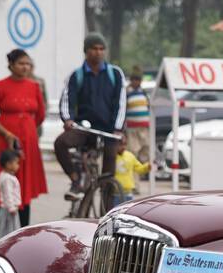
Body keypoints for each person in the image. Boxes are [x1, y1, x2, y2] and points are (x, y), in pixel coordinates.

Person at [55, 33, 126, 200]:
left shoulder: (115, 74)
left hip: (109, 130)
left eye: (102, 49)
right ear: (86, 51)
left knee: (108, 174)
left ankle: (107, 211)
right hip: (84, 128)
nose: (98, 52)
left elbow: (121, 103)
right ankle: (76, 179)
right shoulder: (76, 75)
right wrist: (68, 120)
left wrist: (118, 129)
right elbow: (67, 100)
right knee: (61, 143)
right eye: (94, 48)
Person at [0, 49, 46, 228]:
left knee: (24, 186)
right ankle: (4, 230)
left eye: (28, 63)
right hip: (5, 142)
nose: (25, 67)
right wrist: (6, 132)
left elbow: (40, 115)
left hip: (28, 142)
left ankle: (23, 231)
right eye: (21, 63)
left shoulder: (34, 87)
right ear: (10, 65)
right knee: (3, 183)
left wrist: (29, 130)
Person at [123, 66, 152, 167]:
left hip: (144, 127)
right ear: (131, 80)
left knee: (146, 148)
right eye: (135, 80)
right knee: (133, 150)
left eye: (139, 80)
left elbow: (148, 106)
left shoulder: (143, 92)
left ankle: (142, 168)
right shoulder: (127, 92)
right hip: (132, 128)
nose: (137, 82)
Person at [111, 136, 149, 206]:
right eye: (120, 144)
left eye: (125, 144)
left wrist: (148, 166)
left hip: (128, 193)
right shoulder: (111, 156)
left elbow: (140, 169)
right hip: (114, 194)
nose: (123, 147)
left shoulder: (130, 156)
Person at [0, 149, 23, 240]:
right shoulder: (7, 179)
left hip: (8, 208)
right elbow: (8, 194)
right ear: (8, 164)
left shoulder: (4, 175)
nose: (18, 165)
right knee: (9, 230)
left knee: (9, 229)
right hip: (9, 210)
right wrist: (11, 207)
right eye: (16, 163)